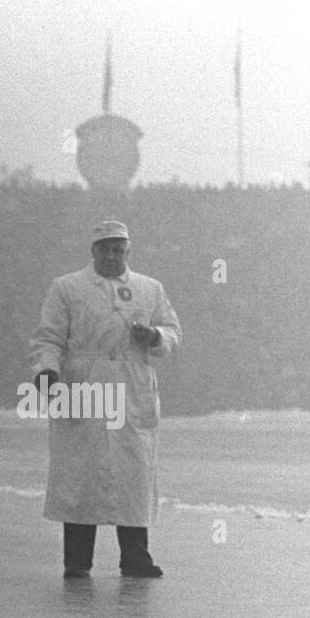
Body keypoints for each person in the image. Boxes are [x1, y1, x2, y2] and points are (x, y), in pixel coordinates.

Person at [30, 220, 182, 579]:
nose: (112, 255)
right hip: (85, 387)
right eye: (105, 249)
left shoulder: (149, 288)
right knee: (81, 476)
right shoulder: (67, 288)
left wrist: (155, 336)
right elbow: (48, 338)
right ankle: (77, 561)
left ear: (127, 252)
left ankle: (135, 558)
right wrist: (47, 372)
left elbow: (173, 330)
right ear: (93, 251)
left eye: (119, 249)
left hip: (132, 389)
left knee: (133, 476)